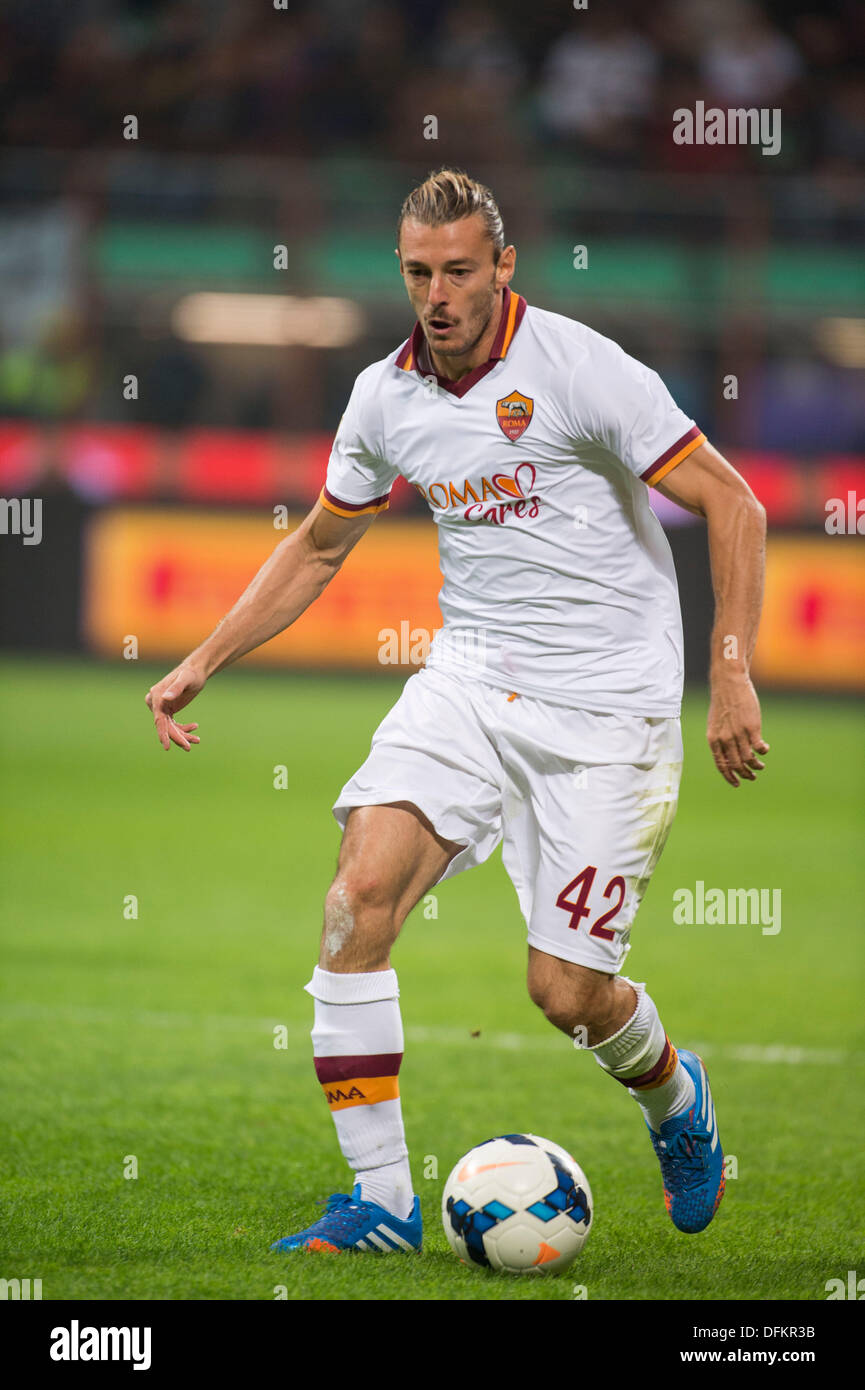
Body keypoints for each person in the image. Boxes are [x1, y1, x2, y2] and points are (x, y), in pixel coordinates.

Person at [145, 168, 768, 1255]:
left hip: (609, 711)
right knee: (355, 901)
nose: (436, 294)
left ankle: (677, 1100)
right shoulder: (384, 397)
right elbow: (321, 543)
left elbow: (734, 500)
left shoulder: (578, 368)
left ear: (503, 268)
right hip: (470, 682)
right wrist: (205, 657)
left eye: (459, 271)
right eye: (418, 272)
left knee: (568, 992)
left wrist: (729, 669)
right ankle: (381, 1200)